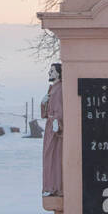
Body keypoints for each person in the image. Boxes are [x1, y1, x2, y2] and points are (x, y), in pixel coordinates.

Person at [40, 63, 63, 196]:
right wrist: (43, 103)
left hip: (55, 128)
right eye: (50, 70)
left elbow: (60, 109)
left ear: (59, 73)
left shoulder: (60, 89)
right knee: (48, 157)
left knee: (54, 157)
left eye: (52, 71)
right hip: (50, 127)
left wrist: (57, 122)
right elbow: (45, 114)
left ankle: (54, 186)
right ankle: (49, 186)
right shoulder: (52, 88)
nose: (49, 73)